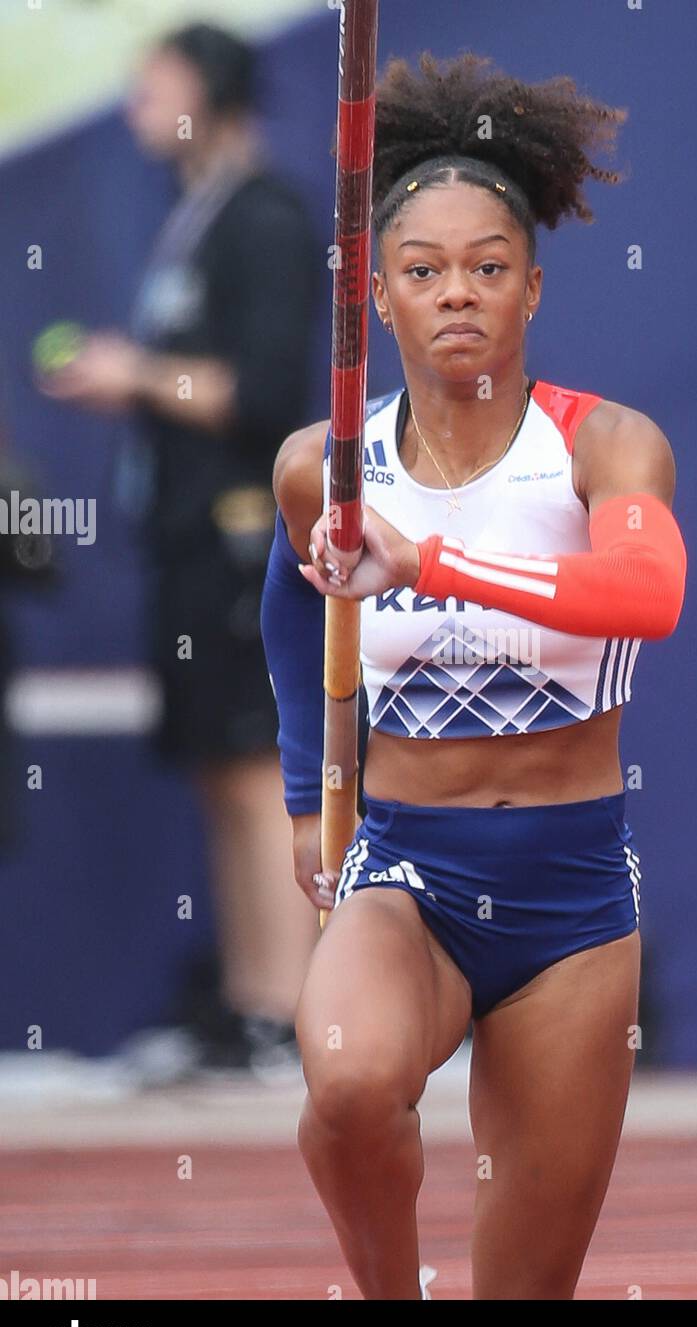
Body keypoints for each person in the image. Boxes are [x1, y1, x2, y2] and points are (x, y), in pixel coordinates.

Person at [261, 52, 687, 1298]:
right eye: (426, 270)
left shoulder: (605, 445)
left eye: (489, 268)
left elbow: (648, 596)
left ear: (533, 289)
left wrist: (430, 560)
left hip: (570, 899)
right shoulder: (324, 469)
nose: (459, 294)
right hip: (406, 870)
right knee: (344, 1084)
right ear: (377, 295)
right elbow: (295, 607)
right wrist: (307, 791)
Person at [38, 24, 326, 1078]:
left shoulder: (266, 219)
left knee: (261, 773)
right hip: (186, 542)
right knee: (220, 770)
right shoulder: (191, 221)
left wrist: (137, 373)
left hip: (244, 538)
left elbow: (262, 394)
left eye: (155, 85)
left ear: (211, 92)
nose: (134, 107)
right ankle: (251, 1003)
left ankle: (294, 1014)